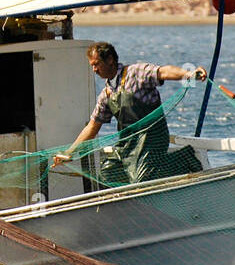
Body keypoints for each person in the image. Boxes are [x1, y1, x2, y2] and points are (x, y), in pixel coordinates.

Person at [52, 42, 206, 184]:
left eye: (96, 64)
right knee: (107, 173)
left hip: (152, 138)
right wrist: (70, 152)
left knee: (142, 178)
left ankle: (185, 159)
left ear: (110, 59)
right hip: (129, 143)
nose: (94, 70)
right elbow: (92, 127)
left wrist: (189, 74)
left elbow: (164, 72)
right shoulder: (106, 94)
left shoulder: (136, 72)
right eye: (92, 66)